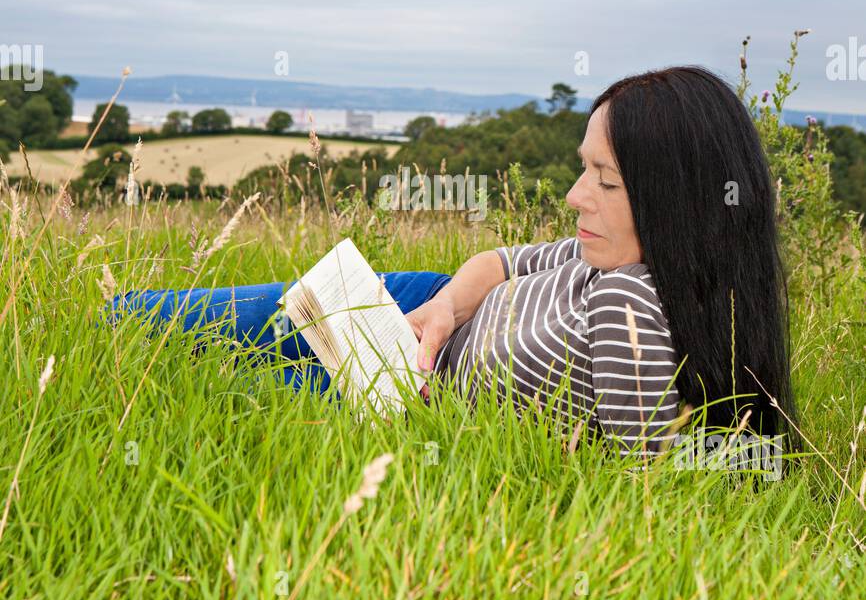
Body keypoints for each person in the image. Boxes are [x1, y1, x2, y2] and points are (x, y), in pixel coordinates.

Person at [110, 66, 799, 461]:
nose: (573, 196)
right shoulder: (618, 255)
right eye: (583, 170)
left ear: (676, 201)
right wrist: (444, 309)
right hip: (420, 309)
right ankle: (95, 323)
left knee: (198, 381)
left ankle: (101, 337)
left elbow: (645, 472)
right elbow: (501, 261)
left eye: (604, 181)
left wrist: (455, 416)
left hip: (406, 397)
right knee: (182, 323)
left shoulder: (632, 307)